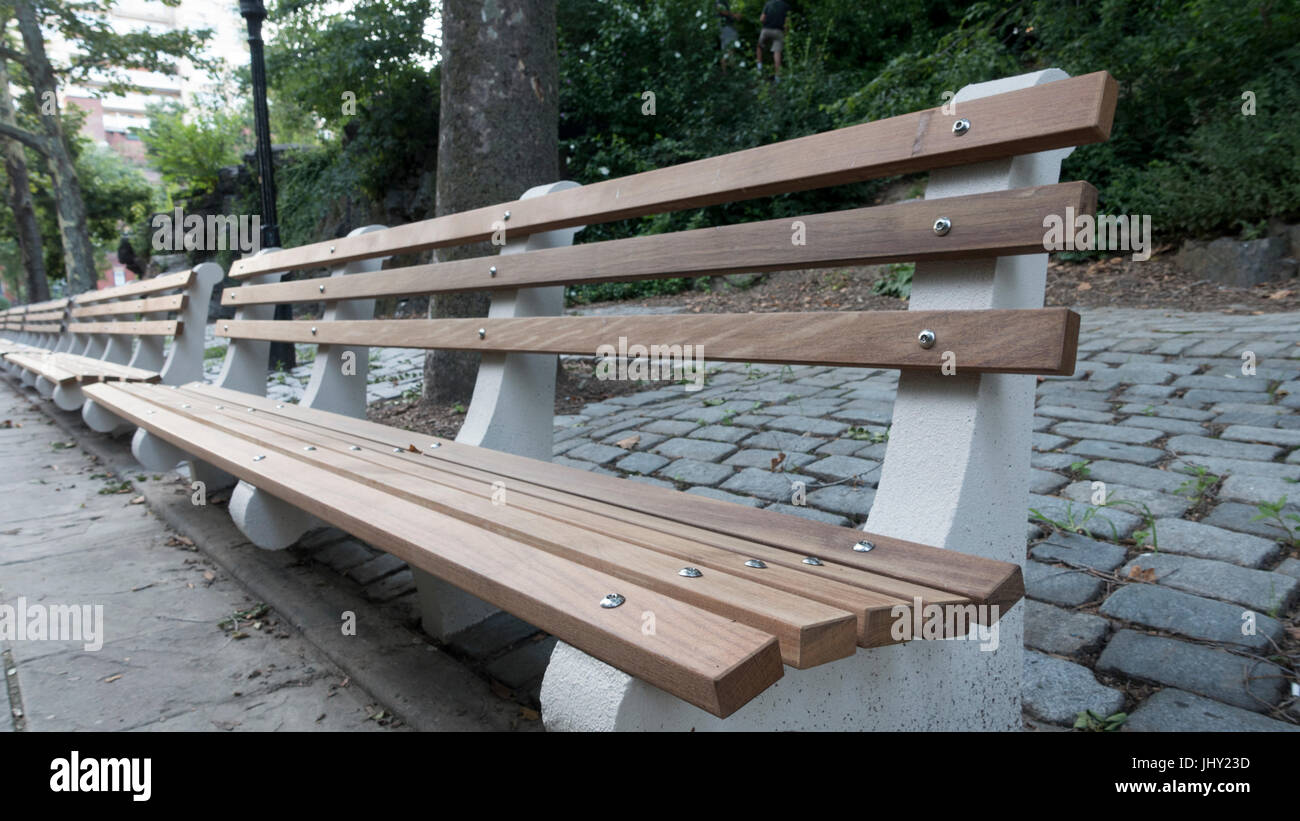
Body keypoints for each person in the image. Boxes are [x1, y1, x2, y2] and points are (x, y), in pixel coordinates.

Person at [756, 0, 791, 78]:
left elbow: (761, 19)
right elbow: (787, 23)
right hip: (779, 32)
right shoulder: (786, 5)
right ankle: (778, 77)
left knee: (759, 47)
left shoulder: (768, 4)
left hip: (766, 30)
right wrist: (786, 34)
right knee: (777, 53)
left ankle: (759, 69)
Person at [716, 1, 741, 70]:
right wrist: (734, 15)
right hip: (726, 28)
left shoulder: (725, 2)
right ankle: (731, 71)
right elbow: (721, 10)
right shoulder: (720, 1)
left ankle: (727, 72)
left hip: (726, 27)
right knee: (729, 48)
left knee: (727, 49)